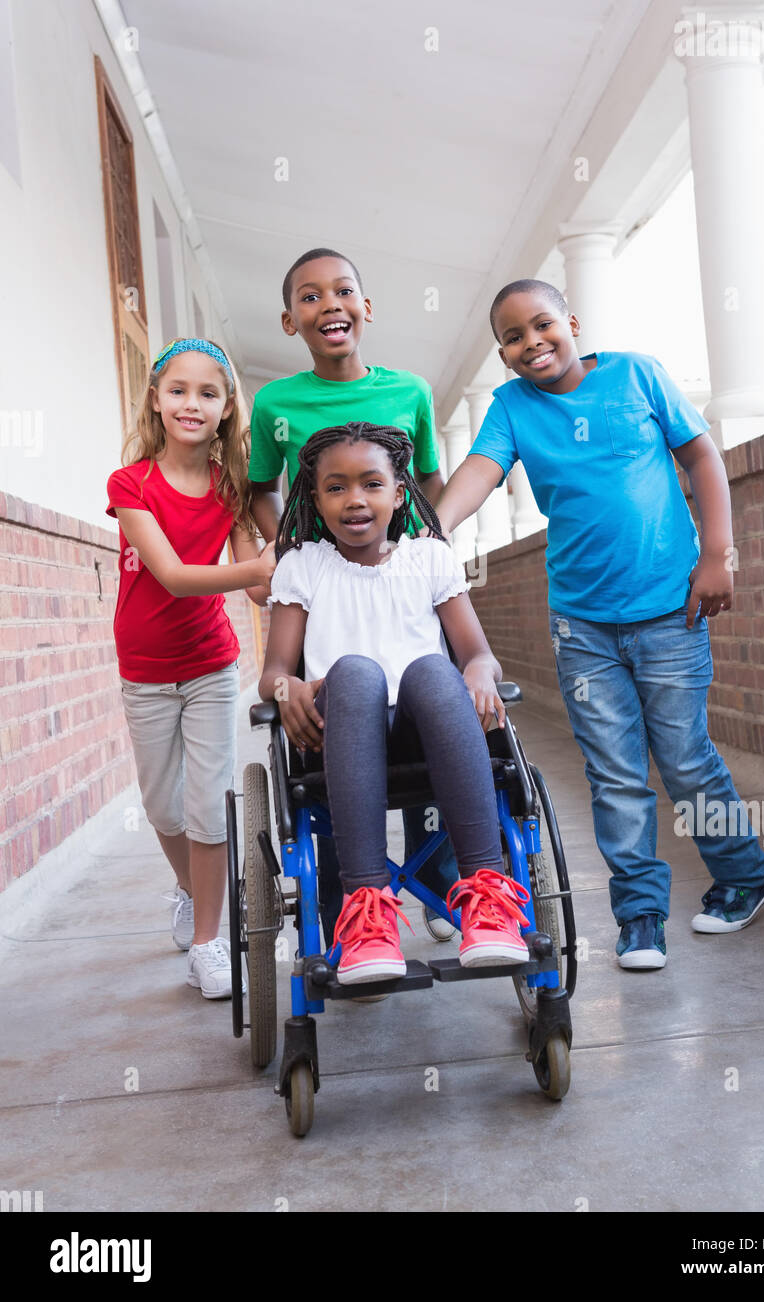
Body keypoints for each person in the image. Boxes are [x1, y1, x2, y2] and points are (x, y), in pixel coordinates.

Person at [434, 280, 764, 971]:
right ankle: (640, 914)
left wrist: (717, 553)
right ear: (502, 354)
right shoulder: (511, 407)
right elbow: (481, 468)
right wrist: (435, 527)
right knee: (616, 773)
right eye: (512, 337)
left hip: (670, 611)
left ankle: (744, 872)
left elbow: (702, 457)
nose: (531, 343)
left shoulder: (636, 374)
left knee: (684, 758)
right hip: (582, 627)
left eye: (542, 325)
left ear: (572, 322)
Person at [258, 420, 531, 984]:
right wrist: (287, 690)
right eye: (335, 487)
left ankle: (488, 898)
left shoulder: (428, 558)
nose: (354, 500)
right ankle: (364, 913)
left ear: (400, 491)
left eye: (371, 484)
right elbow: (275, 674)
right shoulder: (301, 566)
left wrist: (479, 671)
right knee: (356, 672)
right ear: (313, 498)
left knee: (434, 668)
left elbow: (477, 654)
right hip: (337, 730)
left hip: (424, 731)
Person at [247, 247, 458, 940]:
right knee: (342, 700)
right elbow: (261, 489)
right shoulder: (276, 402)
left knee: (427, 701)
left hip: (401, 575)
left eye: (343, 291)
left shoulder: (412, 391)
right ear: (290, 320)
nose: (329, 304)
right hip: (319, 584)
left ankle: (437, 880)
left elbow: (426, 485)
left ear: (367, 308)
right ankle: (350, 907)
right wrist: (289, 556)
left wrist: (432, 557)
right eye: (310, 296)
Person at [106, 337, 275, 999]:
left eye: (208, 393)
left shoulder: (231, 487)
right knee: (161, 805)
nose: (191, 404)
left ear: (227, 407)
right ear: (156, 398)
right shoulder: (131, 485)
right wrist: (254, 568)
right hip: (145, 668)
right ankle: (187, 888)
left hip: (209, 666)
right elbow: (174, 577)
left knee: (207, 808)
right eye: (178, 390)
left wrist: (283, 559)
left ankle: (210, 942)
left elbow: (256, 584)